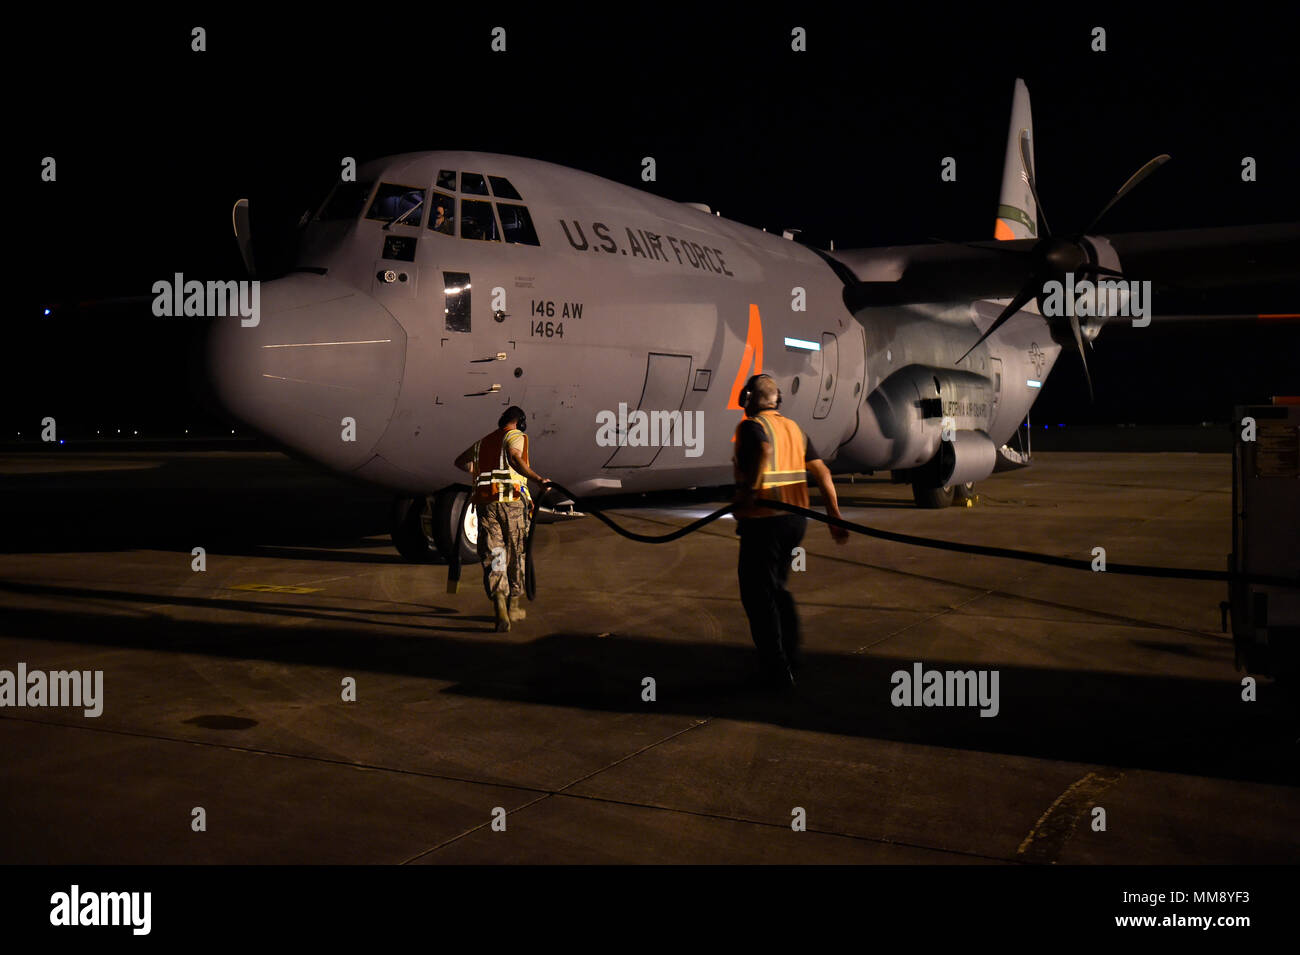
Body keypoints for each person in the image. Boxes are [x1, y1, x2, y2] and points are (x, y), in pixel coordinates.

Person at [733, 374, 848, 687]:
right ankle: (791, 655)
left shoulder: (751, 427)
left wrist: (750, 492)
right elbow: (823, 472)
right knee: (777, 588)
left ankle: (777, 670)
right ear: (777, 399)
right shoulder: (795, 429)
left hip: (763, 521)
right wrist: (834, 517)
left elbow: (764, 451)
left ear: (748, 398)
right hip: (794, 523)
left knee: (758, 595)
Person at [453, 407, 548, 631]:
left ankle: (500, 609)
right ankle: (513, 607)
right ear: (519, 422)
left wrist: (479, 471)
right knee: (515, 554)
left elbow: (460, 462)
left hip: (487, 505)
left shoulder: (483, 443)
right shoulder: (515, 436)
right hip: (511, 503)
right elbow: (515, 459)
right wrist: (538, 479)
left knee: (495, 554)